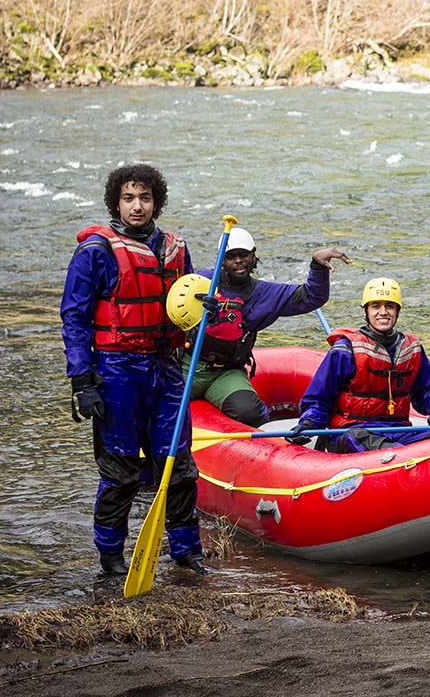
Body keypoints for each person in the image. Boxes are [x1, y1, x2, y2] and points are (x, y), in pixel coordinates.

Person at [61, 164, 207, 576]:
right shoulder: (95, 252)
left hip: (165, 367)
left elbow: (186, 307)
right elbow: (75, 318)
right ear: (116, 203)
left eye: (145, 198)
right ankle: (110, 557)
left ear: (156, 202)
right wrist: (82, 381)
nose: (137, 206)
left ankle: (186, 552)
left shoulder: (175, 249)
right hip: (116, 371)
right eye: (128, 198)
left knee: (178, 468)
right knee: (121, 471)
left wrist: (205, 309)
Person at [186, 227, 353, 426]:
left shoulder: (266, 294)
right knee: (158, 399)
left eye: (243, 255)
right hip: (189, 364)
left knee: (251, 414)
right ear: (222, 260)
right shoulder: (201, 281)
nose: (238, 261)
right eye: (231, 256)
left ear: (253, 256)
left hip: (227, 372)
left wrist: (317, 266)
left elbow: (311, 296)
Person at [292, 278, 430, 452]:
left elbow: (424, 392)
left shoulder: (412, 348)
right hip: (351, 431)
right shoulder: (345, 350)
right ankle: (397, 455)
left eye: (389, 306)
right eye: (376, 306)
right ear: (365, 311)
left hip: (398, 431)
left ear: (397, 311)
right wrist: (309, 423)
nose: (383, 312)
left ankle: (402, 453)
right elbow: (319, 399)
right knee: (366, 440)